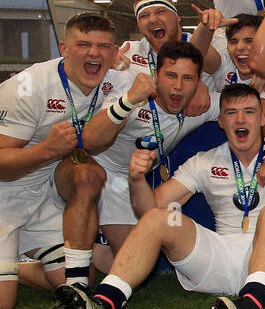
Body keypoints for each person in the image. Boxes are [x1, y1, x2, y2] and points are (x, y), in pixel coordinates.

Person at [54, 83, 265, 309]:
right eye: (231, 113)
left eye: (249, 112)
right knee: (159, 218)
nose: (240, 119)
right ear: (221, 121)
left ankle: (251, 305)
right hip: (219, 258)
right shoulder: (204, 161)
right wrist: (136, 179)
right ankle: (103, 304)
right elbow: (148, 212)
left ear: (262, 119)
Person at [0, 13, 134, 309]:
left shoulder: (118, 83)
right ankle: (1, 260)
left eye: (102, 47)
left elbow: (161, 83)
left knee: (80, 275)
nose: (93, 53)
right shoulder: (26, 87)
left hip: (42, 189)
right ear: (63, 48)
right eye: (83, 44)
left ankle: (13, 262)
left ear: (113, 54)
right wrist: (48, 149)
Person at [81, 41, 220, 254]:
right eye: (171, 75)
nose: (178, 86)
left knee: (139, 257)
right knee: (135, 257)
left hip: (130, 184)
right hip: (99, 172)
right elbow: (90, 140)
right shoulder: (133, 93)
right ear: (156, 74)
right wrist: (128, 102)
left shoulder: (200, 104)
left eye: (188, 78)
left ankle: (87, 250)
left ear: (199, 81)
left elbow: (254, 104)